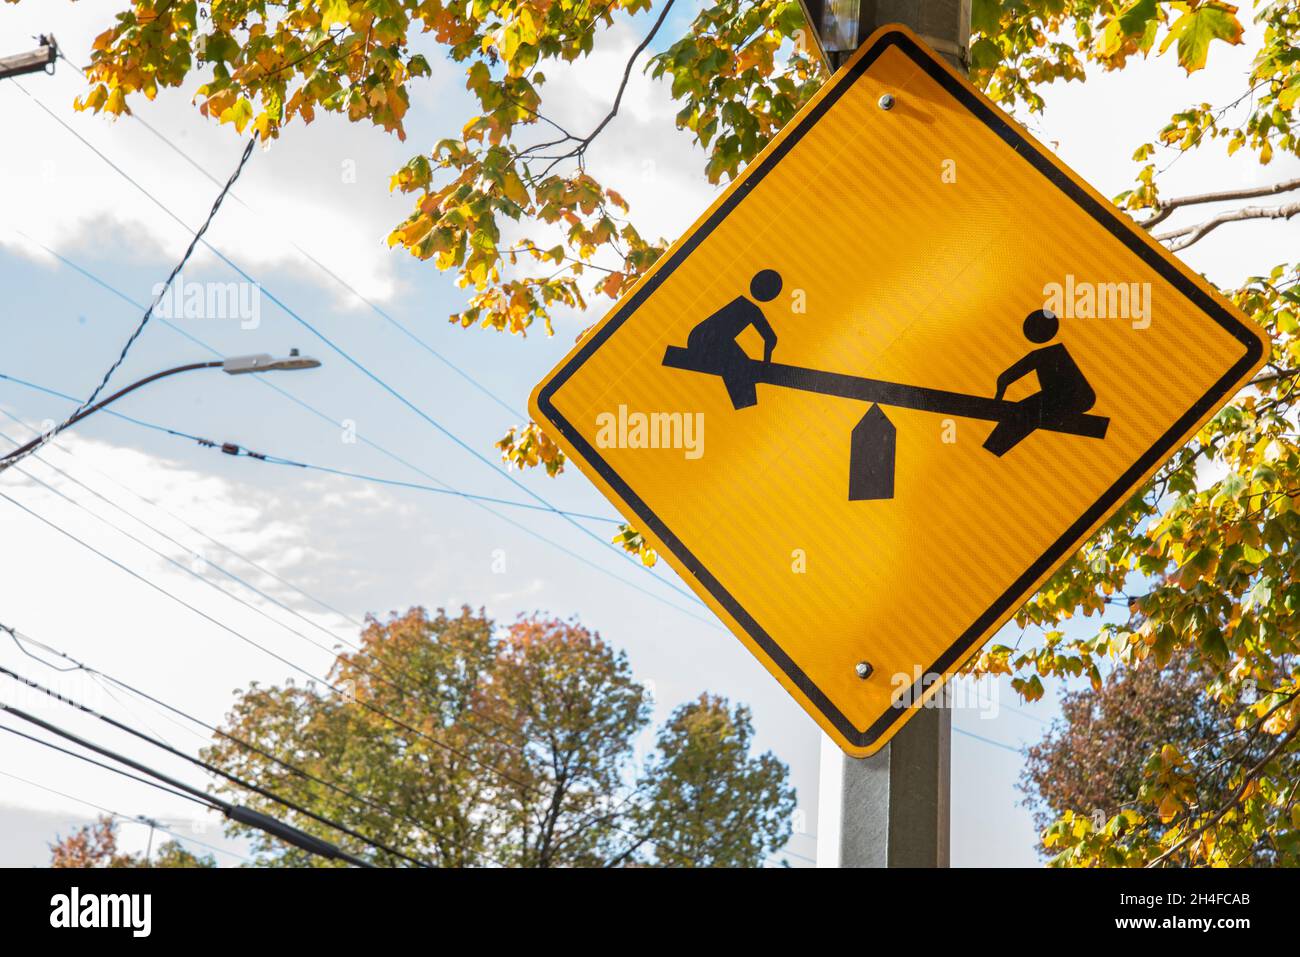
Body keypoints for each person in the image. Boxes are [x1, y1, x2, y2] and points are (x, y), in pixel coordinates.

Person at [983, 309, 1096, 456]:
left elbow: (1005, 378)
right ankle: (991, 451)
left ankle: (991, 451)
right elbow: (1005, 378)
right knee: (1024, 410)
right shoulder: (1048, 353)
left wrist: (997, 400)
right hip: (1066, 398)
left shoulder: (1046, 354)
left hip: (1070, 398)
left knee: (1023, 411)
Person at [683, 269, 782, 409]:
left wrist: (766, 364)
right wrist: (767, 364)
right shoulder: (749, 307)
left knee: (741, 368)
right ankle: (747, 411)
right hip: (707, 341)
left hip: (700, 338)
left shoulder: (742, 303)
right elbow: (771, 338)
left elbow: (771, 338)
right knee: (742, 370)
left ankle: (746, 410)